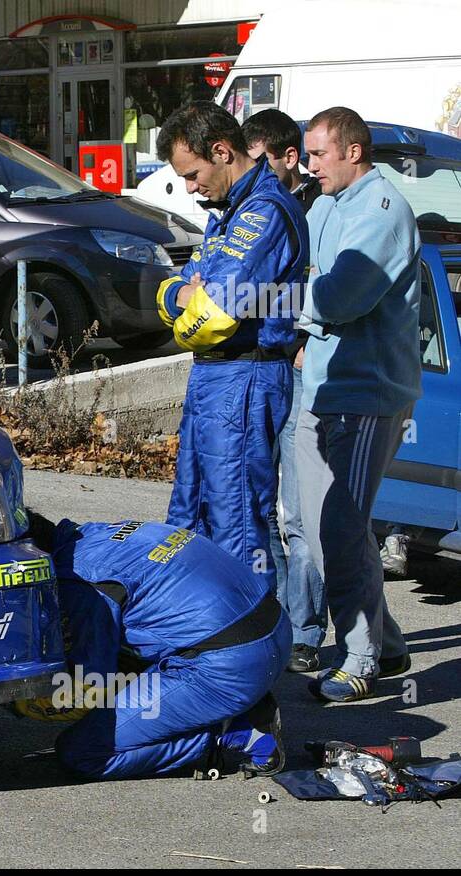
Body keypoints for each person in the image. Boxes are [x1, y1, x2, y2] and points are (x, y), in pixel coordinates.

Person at [155, 102, 310, 593]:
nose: (190, 187)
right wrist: (181, 295)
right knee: (190, 510)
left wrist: (185, 304)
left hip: (247, 374)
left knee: (237, 521)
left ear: (222, 151)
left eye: (193, 173)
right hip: (214, 379)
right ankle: (201, 634)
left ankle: (251, 649)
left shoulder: (263, 211)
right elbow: (175, 291)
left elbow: (214, 318)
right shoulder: (225, 213)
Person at [296, 106, 419, 702]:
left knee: (341, 529)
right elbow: (308, 277)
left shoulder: (383, 210)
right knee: (318, 533)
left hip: (367, 397)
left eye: (318, 154)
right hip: (320, 389)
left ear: (352, 151)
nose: (308, 164)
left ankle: (362, 657)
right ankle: (387, 643)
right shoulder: (326, 205)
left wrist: (287, 301)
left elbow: (340, 295)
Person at [16, 514, 288, 781]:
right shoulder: (99, 532)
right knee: (127, 641)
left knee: (82, 752)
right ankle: (228, 702)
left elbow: (92, 680)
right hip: (275, 629)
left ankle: (234, 731)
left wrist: (18, 698)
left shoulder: (83, 583)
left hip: (227, 668)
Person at [241, 108, 328, 673]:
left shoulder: (316, 212)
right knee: (259, 510)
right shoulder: (248, 208)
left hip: (301, 369)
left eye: (260, 162)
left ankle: (307, 630)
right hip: (261, 370)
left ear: (286, 158)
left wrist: (298, 335)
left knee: (300, 514)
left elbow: (321, 289)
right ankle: (276, 617)